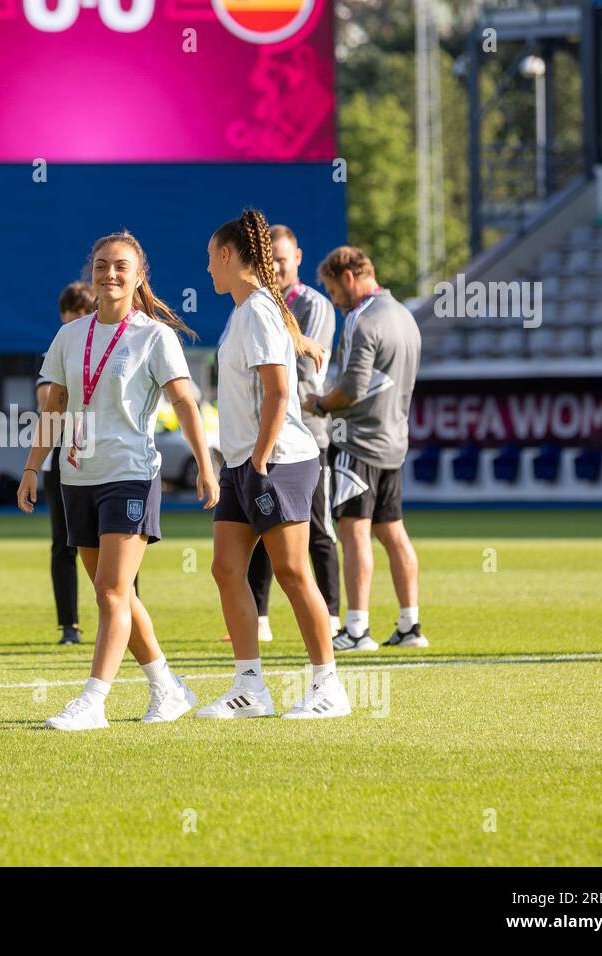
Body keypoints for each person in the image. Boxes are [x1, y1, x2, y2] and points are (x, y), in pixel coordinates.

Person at [18, 231, 219, 731]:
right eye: (102, 265)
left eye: (121, 266)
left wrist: (206, 466)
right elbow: (56, 407)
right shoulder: (69, 336)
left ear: (138, 276)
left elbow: (183, 403)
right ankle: (167, 687)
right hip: (75, 477)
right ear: (93, 272)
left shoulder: (153, 336)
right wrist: (31, 466)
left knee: (110, 590)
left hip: (130, 476)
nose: (110, 274)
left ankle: (93, 701)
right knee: (118, 595)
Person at [202, 208, 350, 719]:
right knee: (225, 569)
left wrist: (260, 458)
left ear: (226, 254)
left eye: (210, 259)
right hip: (244, 462)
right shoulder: (251, 309)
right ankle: (250, 688)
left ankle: (328, 688)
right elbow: (286, 346)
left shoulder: (259, 309)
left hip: (279, 460)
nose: (207, 270)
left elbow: (279, 390)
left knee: (290, 570)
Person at [304, 245, 426, 651]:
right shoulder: (406, 317)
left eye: (332, 290)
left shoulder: (362, 318)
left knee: (353, 532)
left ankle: (357, 629)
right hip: (395, 440)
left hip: (358, 443)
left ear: (349, 279)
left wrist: (319, 404)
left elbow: (353, 389)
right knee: (393, 532)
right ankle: (411, 625)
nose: (334, 300)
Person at [232, 224, 341, 643]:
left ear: (297, 257)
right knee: (260, 531)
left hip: (304, 435)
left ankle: (331, 617)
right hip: (259, 436)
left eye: (283, 257)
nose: (275, 264)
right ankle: (258, 617)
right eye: (269, 257)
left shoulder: (312, 305)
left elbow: (297, 375)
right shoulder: (257, 305)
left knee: (316, 527)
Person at [37, 282, 96, 645]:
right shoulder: (59, 349)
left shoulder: (103, 347)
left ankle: (124, 614)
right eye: (72, 311)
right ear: (63, 315)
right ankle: (69, 626)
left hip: (103, 454)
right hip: (61, 459)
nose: (77, 317)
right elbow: (48, 397)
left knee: (117, 541)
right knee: (64, 543)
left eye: (83, 310)